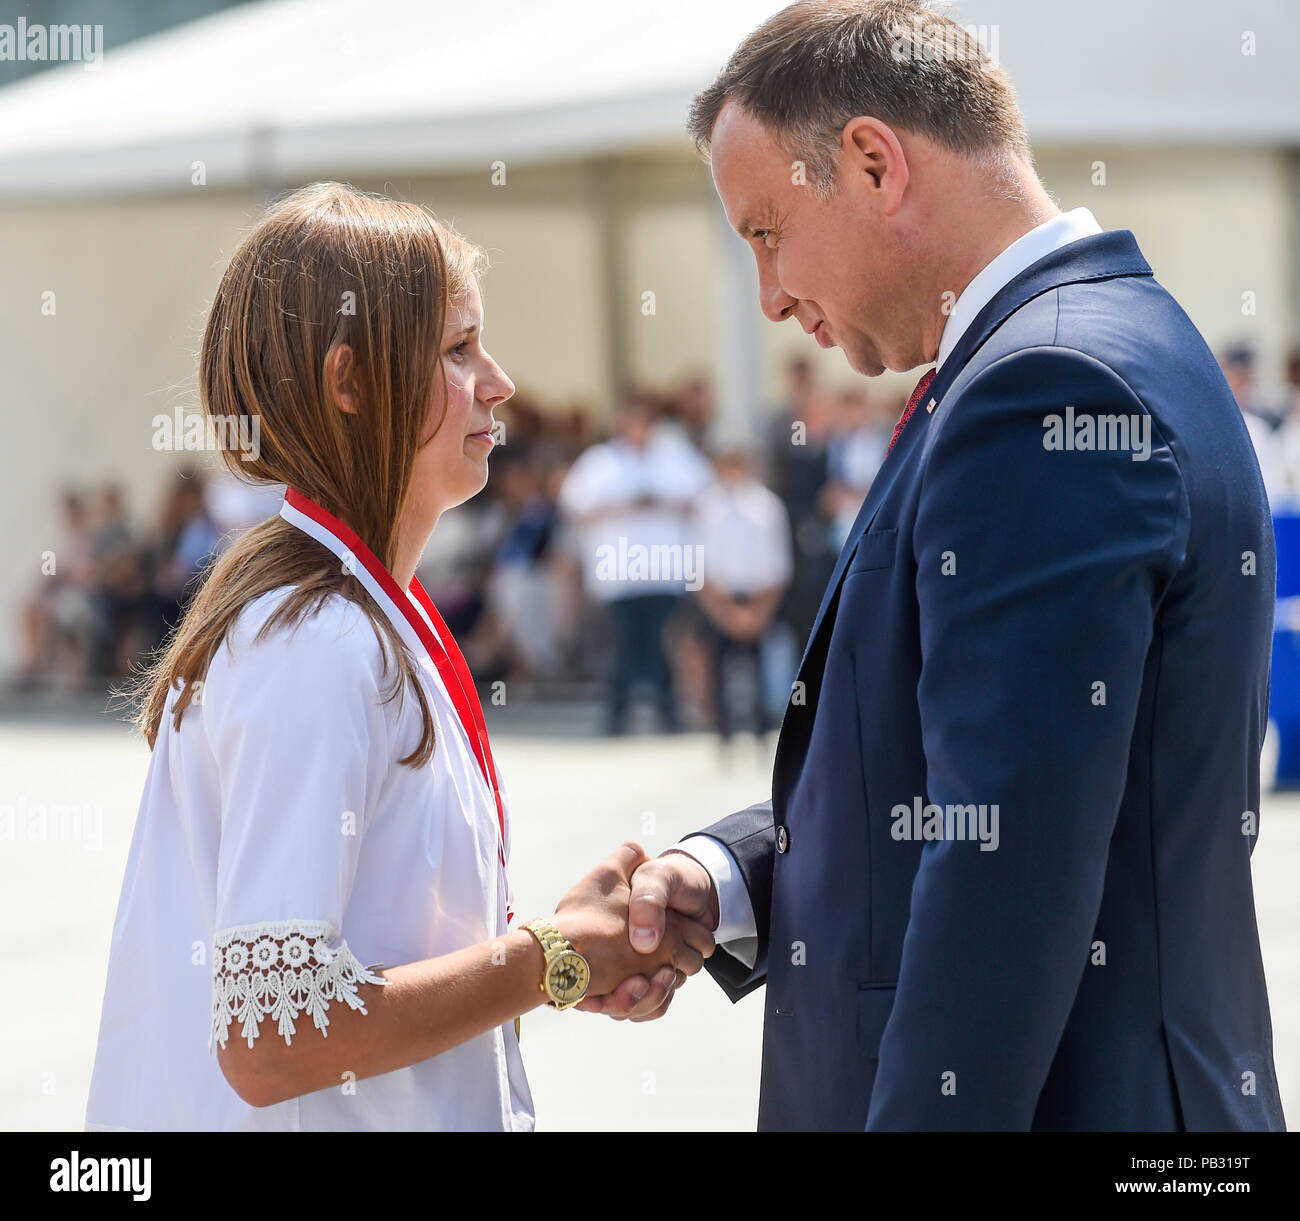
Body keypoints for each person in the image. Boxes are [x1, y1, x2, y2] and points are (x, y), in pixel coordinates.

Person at [585, 0, 1286, 1133]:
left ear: (871, 163)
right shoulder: (1107, 342)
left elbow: (1000, 882)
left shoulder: (1044, 387)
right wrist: (725, 879)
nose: (768, 293)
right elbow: (980, 789)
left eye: (765, 230)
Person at [84, 182, 714, 1132]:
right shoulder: (315, 639)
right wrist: (544, 956)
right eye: (458, 350)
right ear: (350, 383)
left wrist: (548, 947)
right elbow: (273, 1042)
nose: (499, 382)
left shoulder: (358, 614)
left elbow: (363, 950)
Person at [557, 391, 713, 733]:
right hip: (620, 573)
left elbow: (705, 498)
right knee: (624, 646)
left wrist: (662, 502)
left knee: (666, 645)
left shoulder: (675, 457)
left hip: (666, 570)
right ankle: (618, 715)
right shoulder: (600, 461)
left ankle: (670, 713)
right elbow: (574, 508)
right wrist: (624, 506)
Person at [691, 446, 792, 743]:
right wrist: (721, 610)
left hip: (759, 598)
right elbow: (698, 563)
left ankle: (762, 726)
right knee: (718, 666)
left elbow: (778, 562)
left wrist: (760, 611)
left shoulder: (767, 507)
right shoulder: (706, 507)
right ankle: (723, 731)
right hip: (720, 599)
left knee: (761, 665)